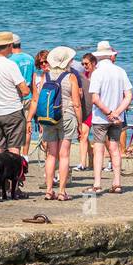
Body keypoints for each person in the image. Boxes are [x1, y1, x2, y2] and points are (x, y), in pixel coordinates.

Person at [33, 46, 82, 201]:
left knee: (51, 154)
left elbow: (40, 98)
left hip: (48, 117)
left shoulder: (44, 76)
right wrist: (80, 124)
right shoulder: (71, 77)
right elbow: (77, 104)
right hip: (66, 116)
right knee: (64, 155)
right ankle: (61, 191)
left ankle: (48, 191)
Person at [87, 41, 132, 194]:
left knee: (99, 149)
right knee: (115, 148)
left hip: (101, 118)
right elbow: (129, 96)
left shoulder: (97, 73)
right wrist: (116, 112)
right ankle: (117, 182)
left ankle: (97, 184)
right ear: (111, 55)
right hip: (117, 118)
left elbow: (95, 98)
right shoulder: (120, 71)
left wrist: (108, 113)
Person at [0, 33, 31, 159]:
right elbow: (25, 91)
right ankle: (13, 176)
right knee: (14, 147)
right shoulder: (10, 64)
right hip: (12, 110)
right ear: (9, 45)